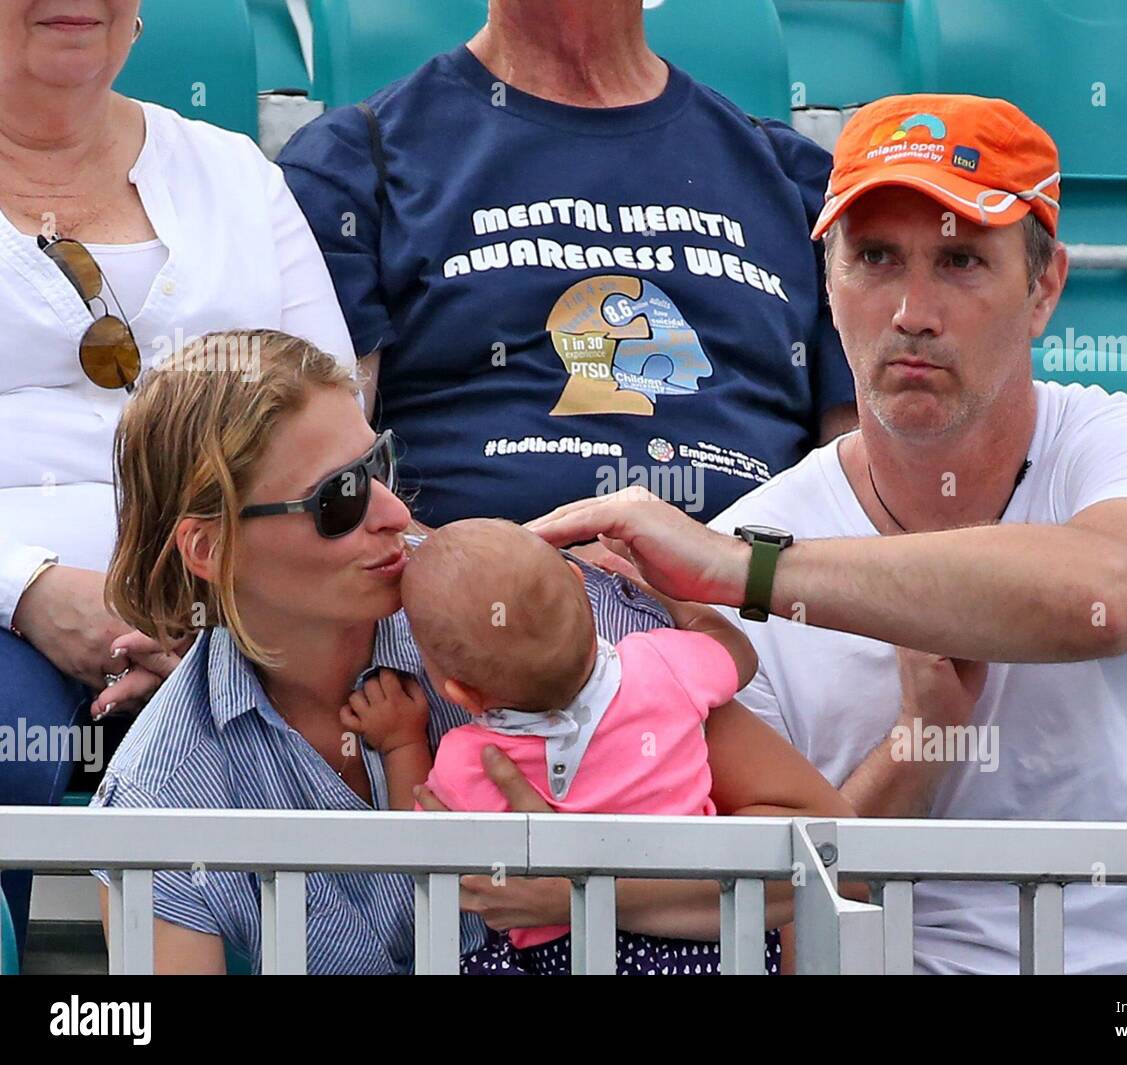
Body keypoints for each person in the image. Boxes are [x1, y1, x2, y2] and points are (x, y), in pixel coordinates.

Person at [529, 94, 1127, 975]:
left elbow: (1106, 595)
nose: (912, 311)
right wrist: (916, 745)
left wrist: (746, 571)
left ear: (1044, 288)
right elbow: (779, 917)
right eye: (875, 258)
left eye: (961, 260)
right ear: (828, 282)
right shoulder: (741, 556)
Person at [92, 330, 857, 975]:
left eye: (378, 465)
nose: (394, 512)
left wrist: (586, 887)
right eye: (339, 499)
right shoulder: (159, 791)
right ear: (209, 547)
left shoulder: (527, 610)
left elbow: (827, 847)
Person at [0, 0, 353, 959]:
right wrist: (28, 588)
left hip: (247, 601)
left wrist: (226, 612)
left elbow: (329, 430)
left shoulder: (232, 173)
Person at [277, 0, 856, 530]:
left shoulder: (796, 179)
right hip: (467, 593)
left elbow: (866, 487)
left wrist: (730, 576)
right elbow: (329, 494)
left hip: (755, 591)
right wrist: (509, 581)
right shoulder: (353, 162)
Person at [345, 518, 849, 974]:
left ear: (458, 692)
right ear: (581, 585)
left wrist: (401, 743)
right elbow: (738, 656)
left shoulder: (472, 758)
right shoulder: (664, 665)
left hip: (567, 953)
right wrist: (670, 597)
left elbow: (423, 845)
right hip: (714, 945)